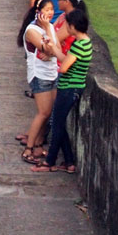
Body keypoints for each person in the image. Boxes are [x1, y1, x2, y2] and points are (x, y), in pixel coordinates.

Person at [32, 9, 93, 174]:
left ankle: (50, 161)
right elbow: (65, 59)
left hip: (69, 88)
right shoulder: (85, 42)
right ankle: (69, 162)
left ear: (73, 26)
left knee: (57, 124)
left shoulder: (79, 45)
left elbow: (64, 67)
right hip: (72, 87)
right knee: (58, 123)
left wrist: (57, 55)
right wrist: (53, 48)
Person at [16, 0, 59, 165]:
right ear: (38, 12)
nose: (50, 13)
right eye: (46, 10)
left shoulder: (50, 27)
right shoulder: (32, 30)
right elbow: (49, 49)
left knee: (49, 113)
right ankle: (29, 148)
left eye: (51, 9)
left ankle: (39, 145)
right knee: (43, 113)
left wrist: (50, 48)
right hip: (39, 75)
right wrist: (50, 48)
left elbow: (56, 49)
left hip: (52, 73)